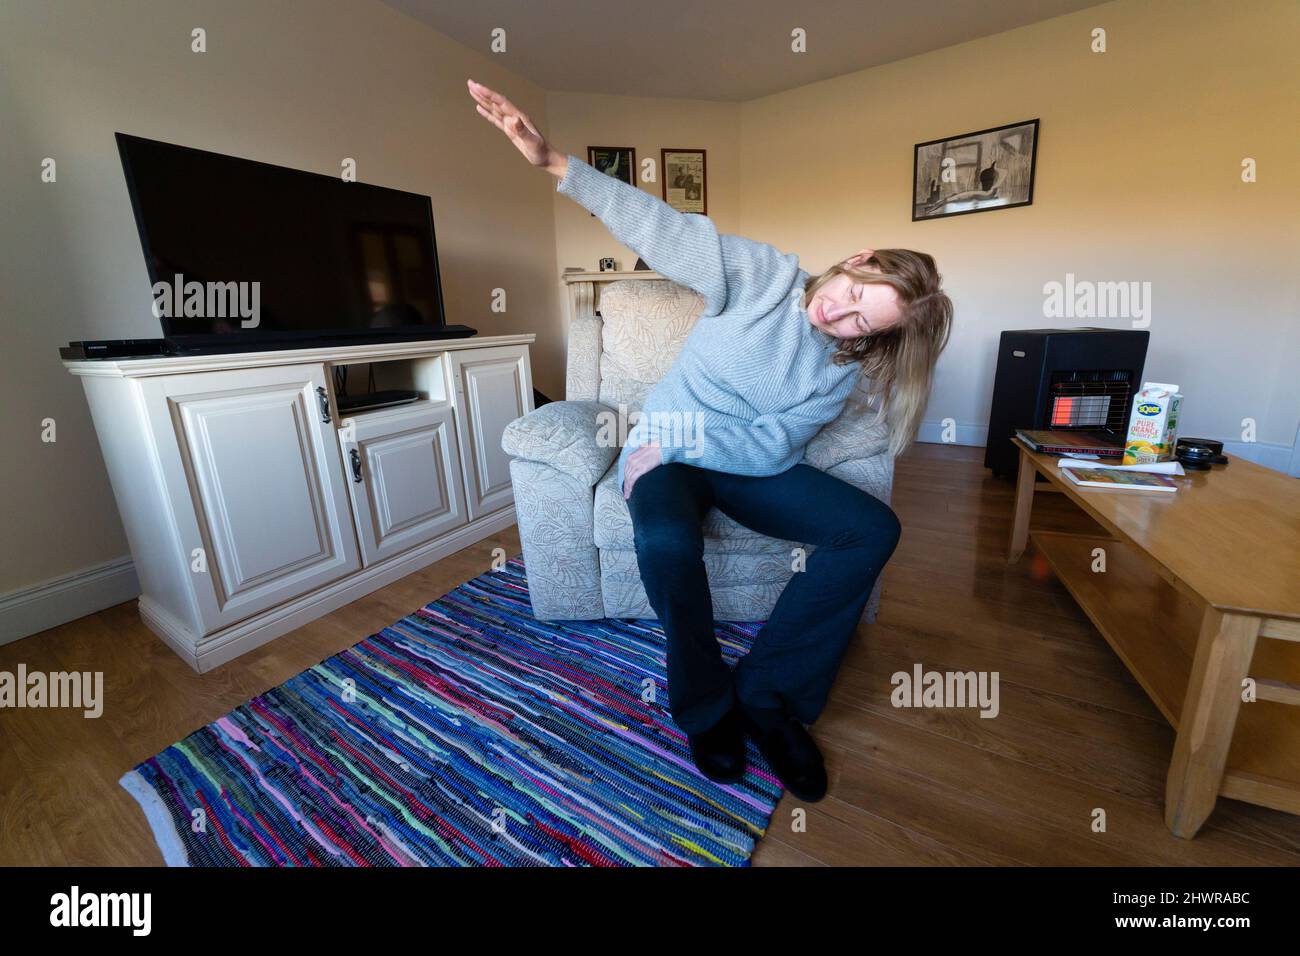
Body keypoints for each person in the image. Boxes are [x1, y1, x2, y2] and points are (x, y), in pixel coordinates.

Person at [468, 78, 953, 801]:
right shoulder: (762, 278)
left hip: (720, 459)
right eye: (854, 291)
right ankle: (706, 706)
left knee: (870, 528)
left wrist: (687, 443)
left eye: (863, 322)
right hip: (665, 450)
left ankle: (766, 694)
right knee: (665, 543)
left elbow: (772, 447)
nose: (840, 311)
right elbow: (661, 227)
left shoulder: (839, 371)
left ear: (874, 339)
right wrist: (554, 164)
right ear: (858, 258)